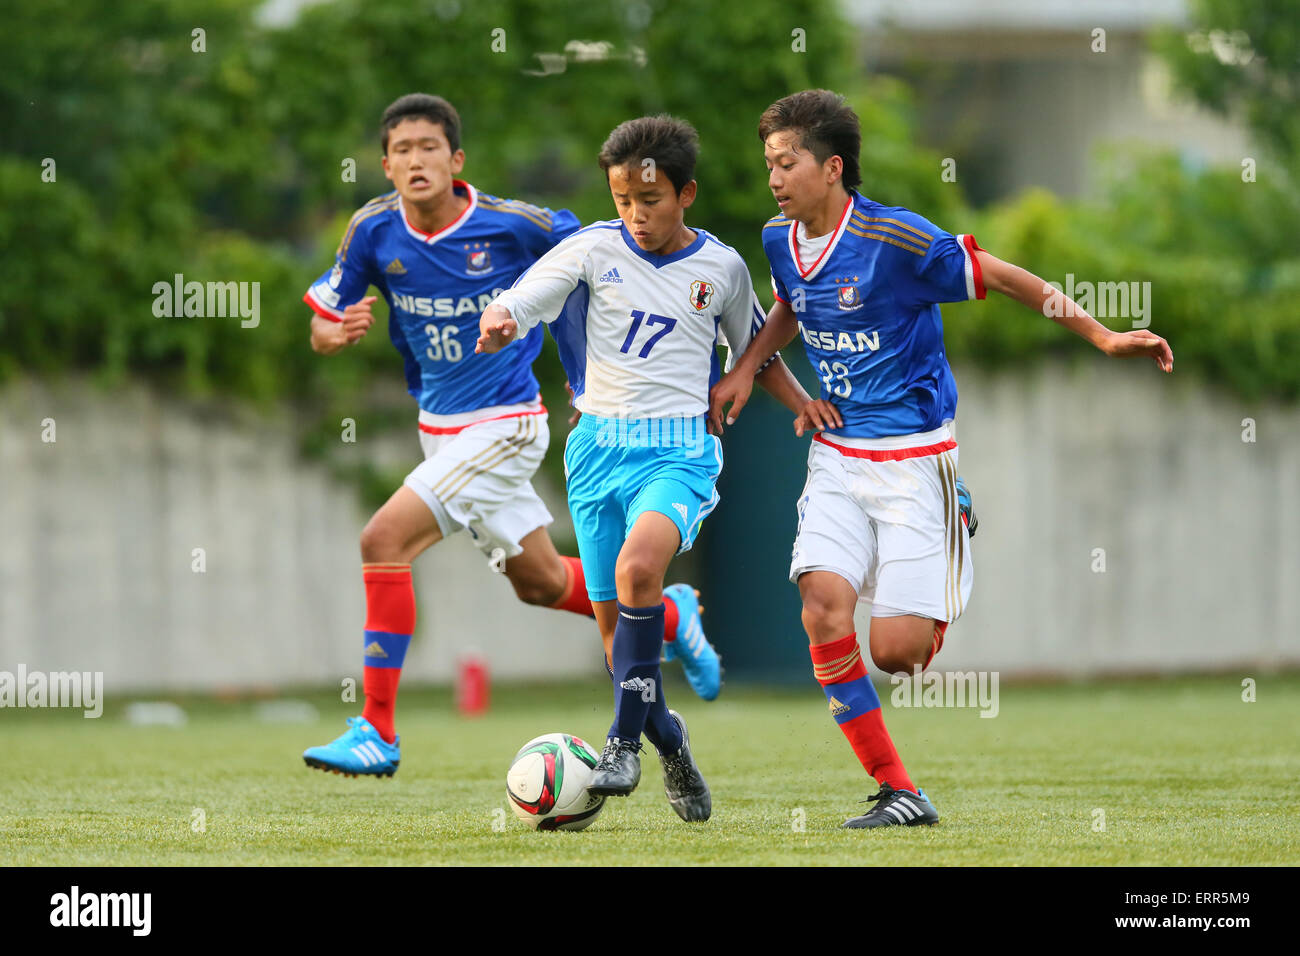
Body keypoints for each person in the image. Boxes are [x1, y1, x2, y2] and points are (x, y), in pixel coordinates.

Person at [710, 89, 1173, 828]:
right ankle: (901, 791)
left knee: (896, 654)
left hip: (916, 459)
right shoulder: (778, 239)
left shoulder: (900, 243)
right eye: (769, 163)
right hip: (837, 455)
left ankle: (954, 521)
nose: (773, 177)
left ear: (831, 168)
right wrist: (749, 367)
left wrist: (1105, 336)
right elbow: (791, 303)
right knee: (822, 611)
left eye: (786, 162)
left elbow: (1010, 277)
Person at [300, 94, 719, 779]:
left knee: (383, 539)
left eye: (428, 147)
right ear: (385, 164)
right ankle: (670, 616)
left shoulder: (514, 225)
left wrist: (594, 375)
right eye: (401, 151)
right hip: (439, 432)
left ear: (456, 159)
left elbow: (604, 263)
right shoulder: (373, 229)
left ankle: (377, 730)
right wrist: (331, 333)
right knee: (541, 582)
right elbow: (324, 314)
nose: (416, 160)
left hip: (507, 424)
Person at [478, 115, 820, 821]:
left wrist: (802, 404)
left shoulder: (719, 268)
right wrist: (503, 316)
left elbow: (755, 349)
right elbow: (529, 293)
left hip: (678, 450)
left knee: (640, 572)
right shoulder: (592, 249)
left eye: (652, 199)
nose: (636, 215)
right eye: (623, 200)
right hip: (595, 452)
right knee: (617, 648)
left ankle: (619, 744)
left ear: (686, 192)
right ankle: (671, 743)